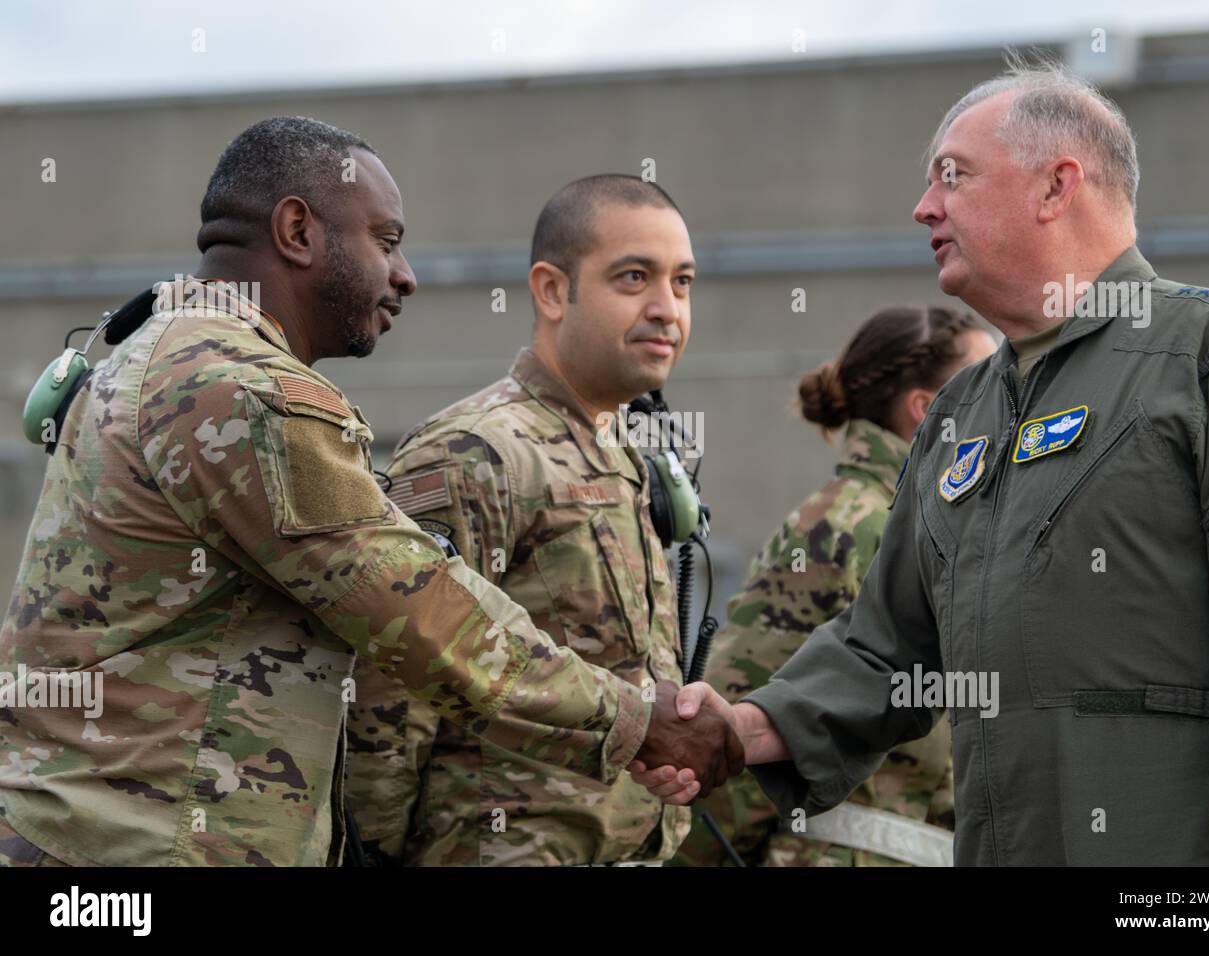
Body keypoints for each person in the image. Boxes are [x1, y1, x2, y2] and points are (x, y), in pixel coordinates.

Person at [0, 119, 741, 868]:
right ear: (297, 231)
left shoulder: (166, 350)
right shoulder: (238, 388)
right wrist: (642, 724)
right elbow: (421, 615)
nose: (405, 274)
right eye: (386, 241)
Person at [633, 58, 1209, 866]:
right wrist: (740, 728)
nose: (924, 208)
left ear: (1057, 187)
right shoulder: (961, 412)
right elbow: (885, 644)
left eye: (953, 177)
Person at [346, 174, 699, 866]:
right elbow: (393, 691)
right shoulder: (474, 451)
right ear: (552, 291)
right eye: (634, 277)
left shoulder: (625, 454)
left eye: (682, 282)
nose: (667, 308)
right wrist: (376, 853)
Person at [674, 305, 994, 867]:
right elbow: (738, 726)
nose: (1007, 408)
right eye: (987, 387)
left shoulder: (944, 521)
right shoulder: (837, 528)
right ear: (926, 411)